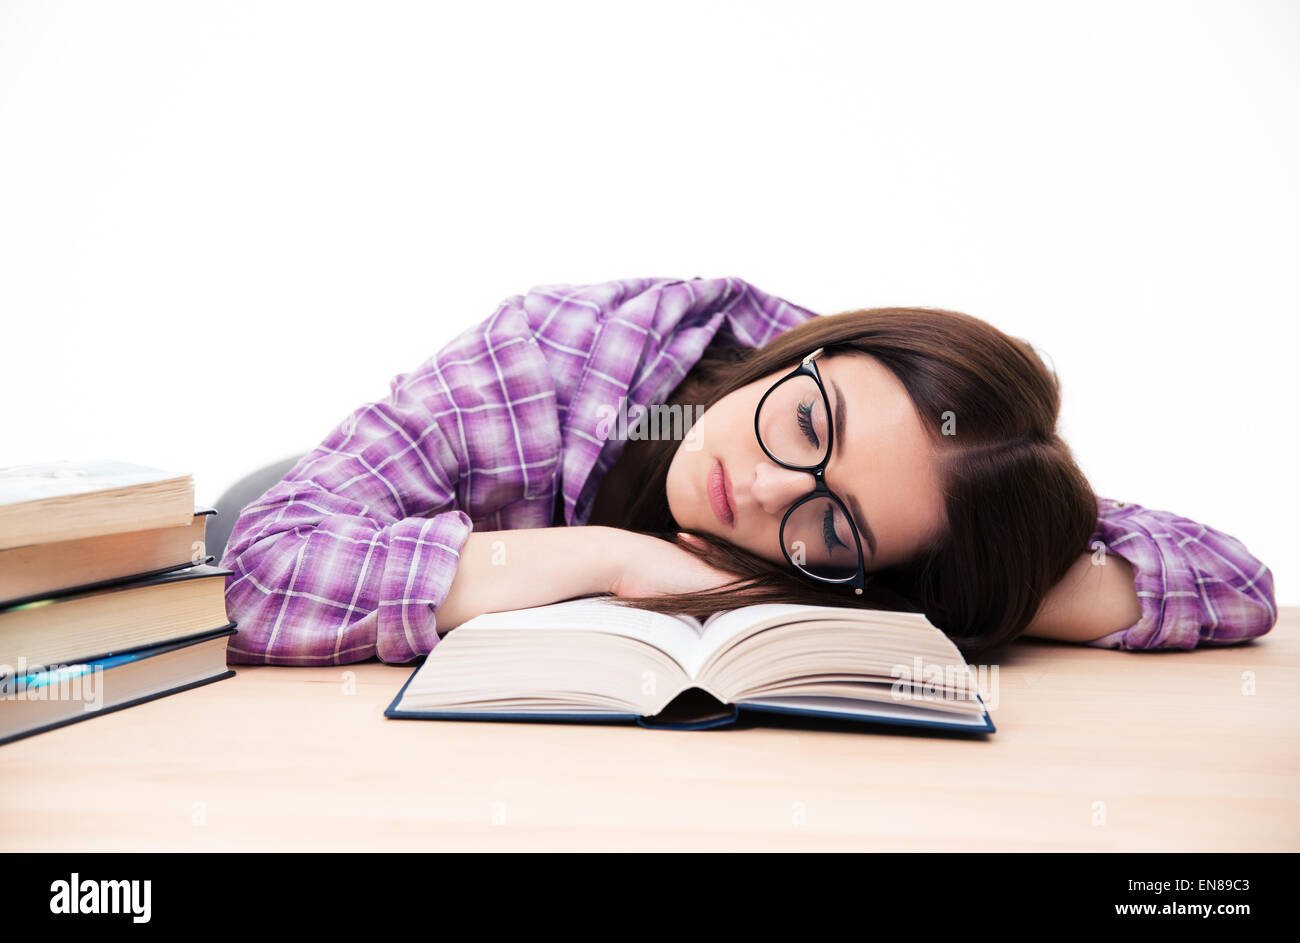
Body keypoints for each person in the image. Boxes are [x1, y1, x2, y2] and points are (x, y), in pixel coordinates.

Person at [218, 275, 1277, 665]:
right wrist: (616, 562)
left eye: (833, 527)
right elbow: (268, 565)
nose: (768, 487)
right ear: (817, 349)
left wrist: (954, 591)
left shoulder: (953, 472)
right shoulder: (557, 359)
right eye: (802, 419)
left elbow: (1227, 580)